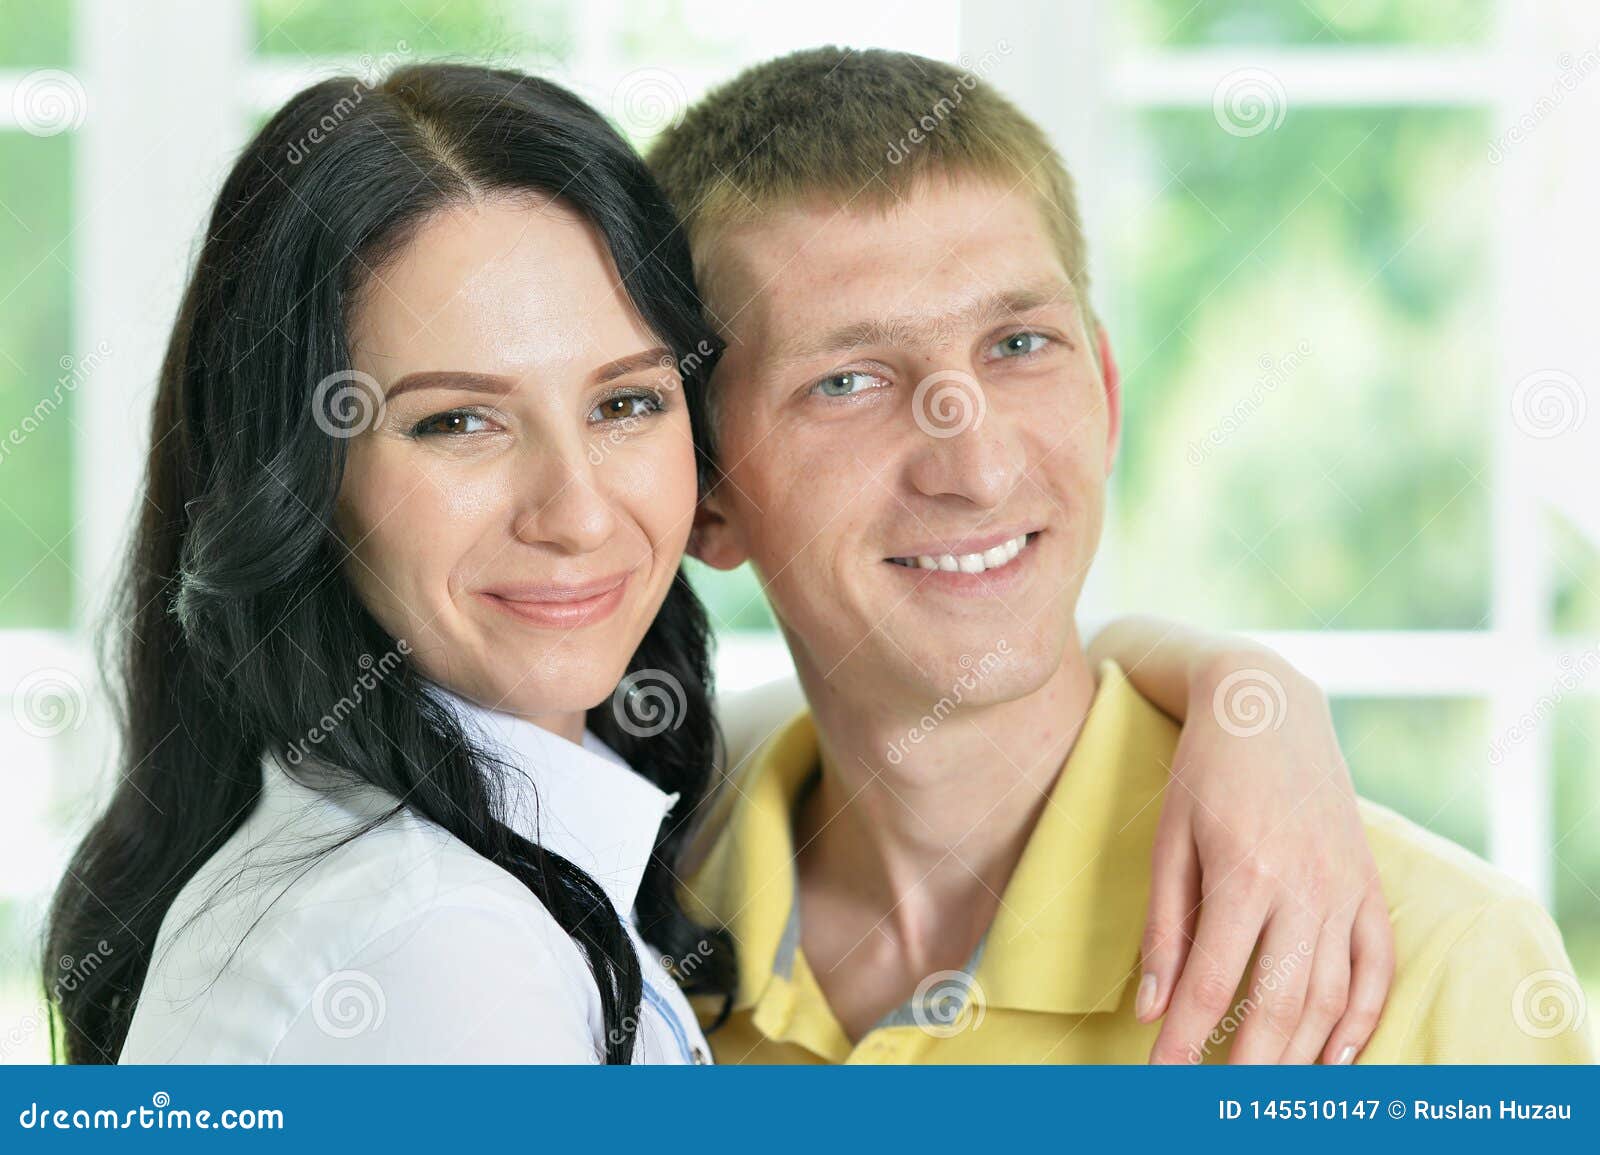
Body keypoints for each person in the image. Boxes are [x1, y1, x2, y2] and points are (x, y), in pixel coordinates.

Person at [48, 63, 1383, 1066]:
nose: (574, 511)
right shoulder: (445, 956)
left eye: (624, 402)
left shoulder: (620, 802)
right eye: (458, 420)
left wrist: (1247, 695)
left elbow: (907, 720)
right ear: (301, 467)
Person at [646, 46, 1595, 1064]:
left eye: (1017, 345)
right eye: (846, 382)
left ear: (1104, 389)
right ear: (700, 493)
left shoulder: (1437, 965)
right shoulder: (619, 931)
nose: (975, 465)